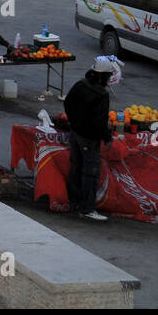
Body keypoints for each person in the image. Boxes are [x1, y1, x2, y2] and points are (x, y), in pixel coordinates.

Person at [62, 57, 118, 221]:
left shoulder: (80, 84)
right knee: (90, 173)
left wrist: (74, 121)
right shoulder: (101, 95)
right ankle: (87, 208)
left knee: (76, 167)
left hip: (75, 134)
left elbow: (68, 104)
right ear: (104, 76)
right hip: (89, 139)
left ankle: (74, 201)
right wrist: (107, 137)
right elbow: (100, 122)